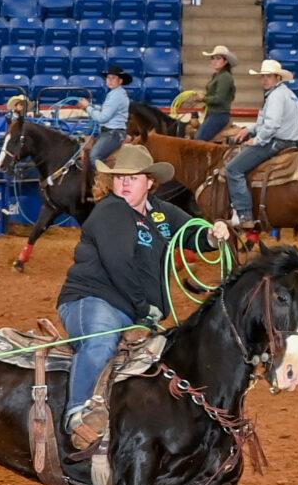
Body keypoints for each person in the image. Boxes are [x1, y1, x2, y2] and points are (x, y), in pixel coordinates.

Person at [57, 145, 229, 449]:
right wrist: (143, 310)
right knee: (100, 341)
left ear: (150, 182)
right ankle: (77, 413)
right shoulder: (111, 210)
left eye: (133, 178)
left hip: (135, 311)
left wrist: (215, 234)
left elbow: (193, 235)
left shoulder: (161, 212)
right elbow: (118, 264)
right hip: (94, 300)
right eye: (120, 177)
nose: (125, 183)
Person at [224, 59, 298, 228]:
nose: (265, 80)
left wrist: (257, 139)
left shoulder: (275, 97)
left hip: (276, 143)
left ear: (277, 78)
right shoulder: (288, 94)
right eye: (263, 77)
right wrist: (249, 130)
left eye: (268, 76)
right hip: (290, 141)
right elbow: (267, 122)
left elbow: (272, 125)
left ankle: (244, 214)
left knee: (233, 169)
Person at [78, 65, 133, 167]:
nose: (109, 80)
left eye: (113, 78)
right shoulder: (116, 94)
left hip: (113, 134)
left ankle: (102, 181)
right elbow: (105, 109)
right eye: (108, 77)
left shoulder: (116, 95)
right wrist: (90, 106)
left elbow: (102, 118)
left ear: (120, 81)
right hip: (112, 133)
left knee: (94, 157)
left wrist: (87, 107)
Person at [197, 47, 237, 142]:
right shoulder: (219, 76)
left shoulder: (225, 77)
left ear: (225, 61)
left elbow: (219, 99)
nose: (214, 61)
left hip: (218, 114)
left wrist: (204, 98)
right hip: (214, 114)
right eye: (213, 58)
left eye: (218, 58)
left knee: (199, 139)